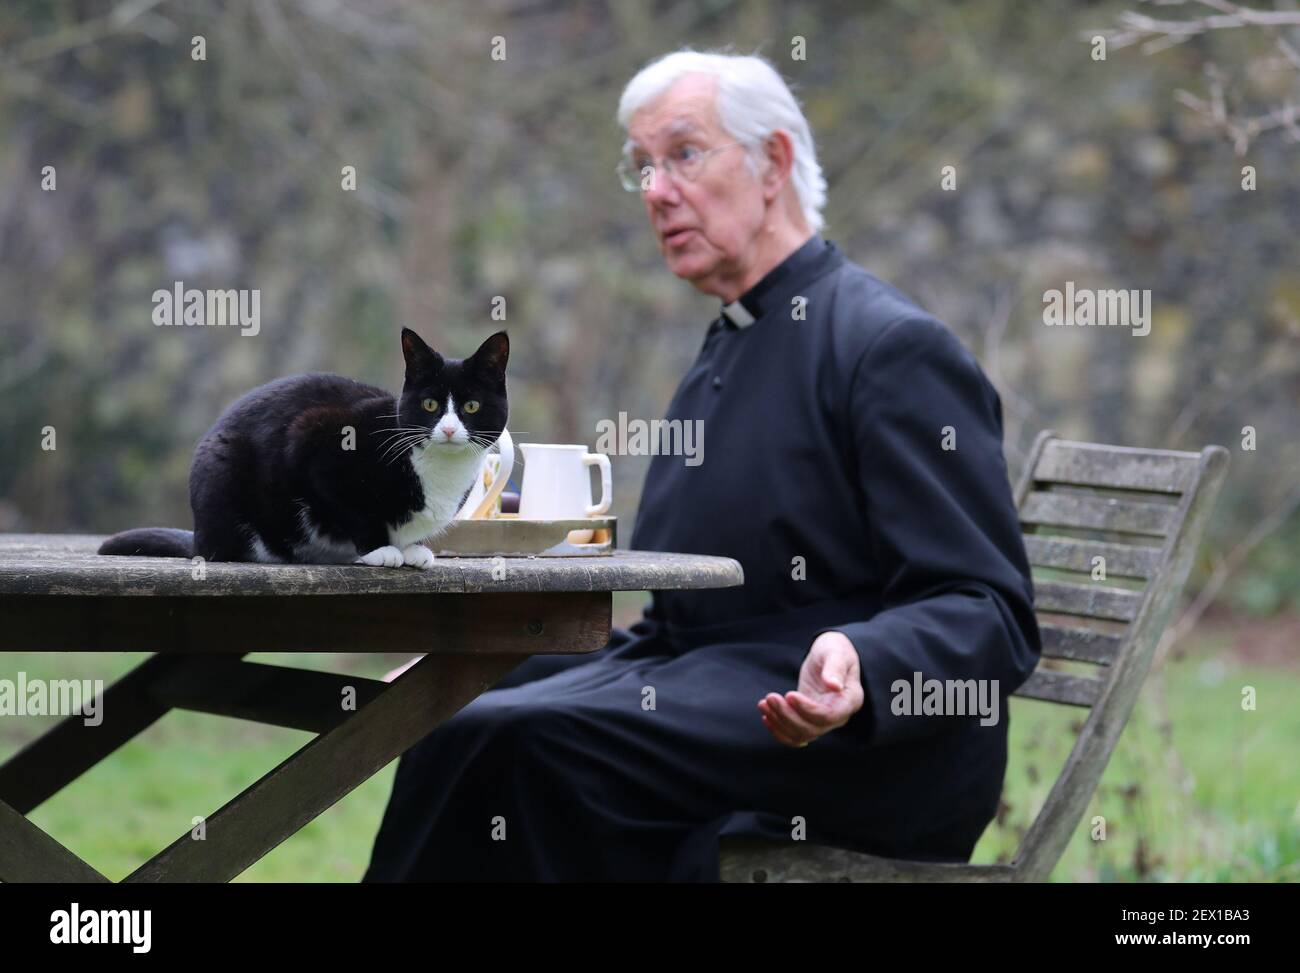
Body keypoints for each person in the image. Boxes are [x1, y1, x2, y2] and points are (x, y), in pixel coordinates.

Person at [362, 49, 1040, 882]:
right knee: (459, 718)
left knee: (518, 742)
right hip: (717, 692)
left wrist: (864, 658)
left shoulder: (889, 348)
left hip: (863, 754)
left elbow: (990, 614)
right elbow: (678, 630)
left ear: (775, 163)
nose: (655, 189)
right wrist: (485, 665)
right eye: (642, 167)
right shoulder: (734, 339)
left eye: (683, 154)